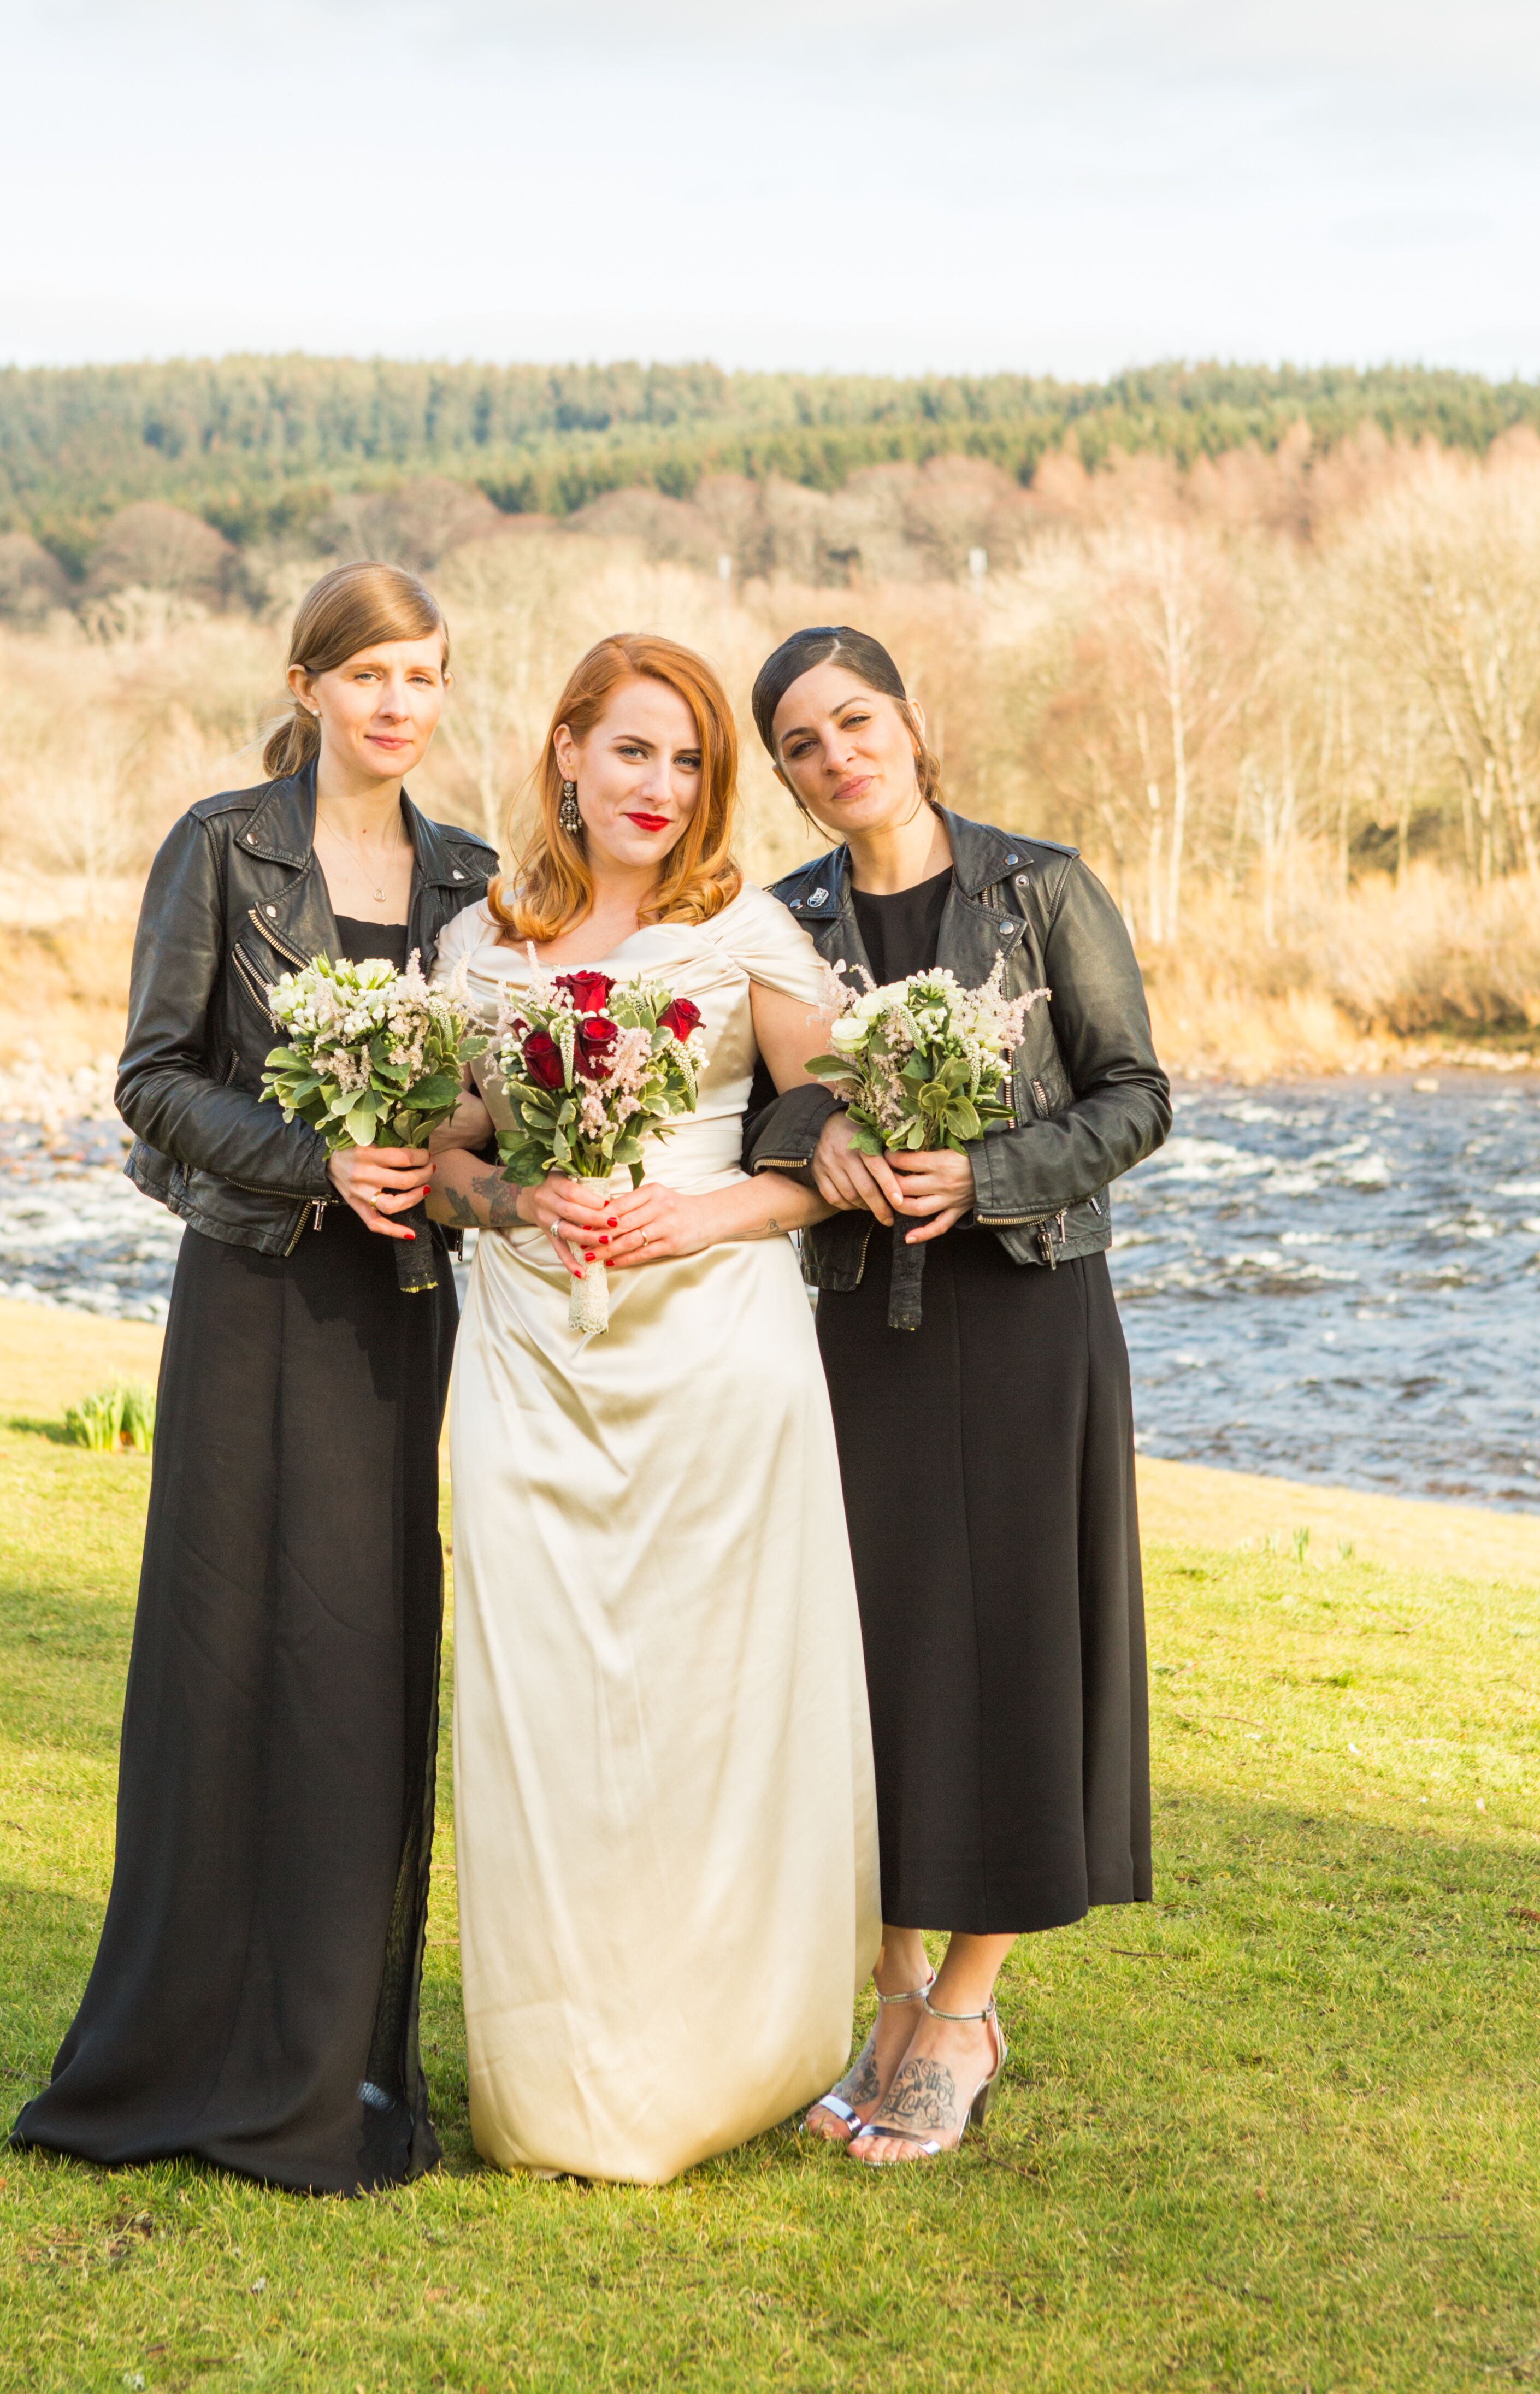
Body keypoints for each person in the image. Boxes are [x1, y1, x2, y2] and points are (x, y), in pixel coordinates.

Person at [13, 563, 495, 2196]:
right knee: (224, 1654)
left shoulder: (475, 879)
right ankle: (180, 2044)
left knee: (364, 1663)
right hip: (253, 1290)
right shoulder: (222, 845)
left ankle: (340, 2064)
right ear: (307, 686)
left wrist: (449, 1163)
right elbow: (150, 1078)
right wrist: (309, 1162)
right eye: (366, 675)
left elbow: (490, 1104)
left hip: (407, 1306)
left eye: (422, 677)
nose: (395, 704)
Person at [427, 633, 878, 2185]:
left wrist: (720, 1213)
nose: (660, 789)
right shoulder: (480, 946)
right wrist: (506, 1201)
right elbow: (441, 1158)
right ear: (565, 753)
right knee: (542, 1696)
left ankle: (712, 2061)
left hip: (711, 1354)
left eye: (688, 763)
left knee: (703, 1703)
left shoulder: (747, 933)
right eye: (633, 752)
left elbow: (830, 1148)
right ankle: (554, 2079)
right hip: (528, 1352)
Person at [745, 623, 1170, 2166]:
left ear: (910, 724)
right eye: (799, 743)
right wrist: (814, 1140)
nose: (834, 754)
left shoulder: (1040, 887)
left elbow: (1135, 1097)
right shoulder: (774, 922)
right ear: (786, 779)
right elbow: (750, 1108)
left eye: (853, 720)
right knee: (867, 1658)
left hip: (1025, 1318)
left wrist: (983, 1173)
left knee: (1007, 1653)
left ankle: (968, 2012)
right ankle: (892, 1988)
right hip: (852, 1336)